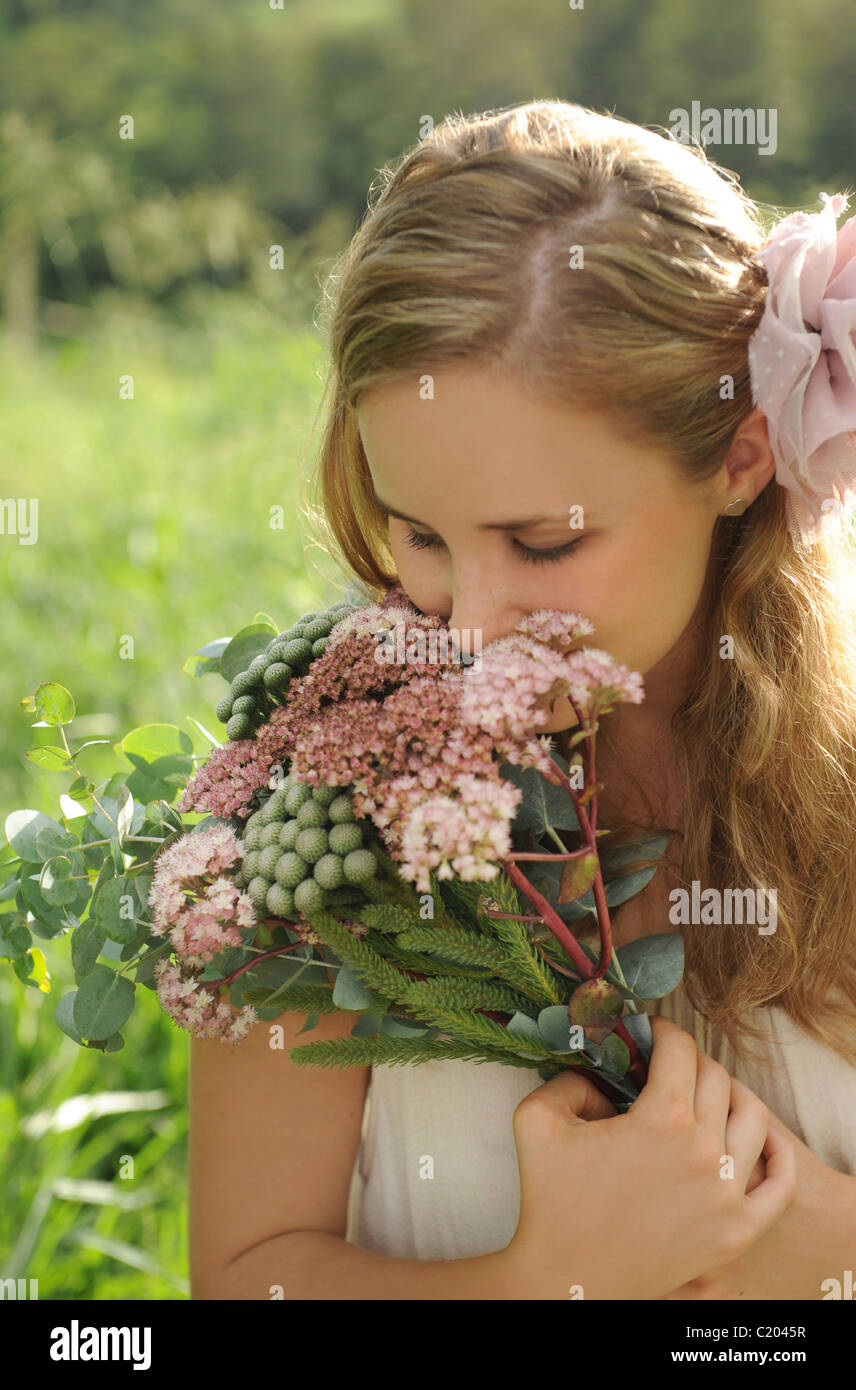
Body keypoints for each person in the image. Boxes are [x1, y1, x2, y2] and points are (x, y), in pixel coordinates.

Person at [189, 100, 856, 1300]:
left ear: (741, 455)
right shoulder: (322, 809)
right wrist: (543, 1281)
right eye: (420, 534)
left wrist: (823, 1251)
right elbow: (247, 1277)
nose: (471, 629)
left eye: (544, 541)